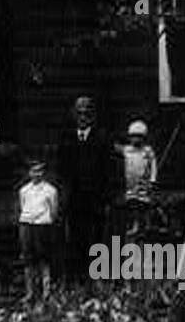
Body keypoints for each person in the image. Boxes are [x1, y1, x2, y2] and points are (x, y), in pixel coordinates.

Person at [56, 95, 116, 282]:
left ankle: (98, 277)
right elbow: (62, 169)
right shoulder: (66, 138)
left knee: (97, 236)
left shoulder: (102, 137)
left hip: (96, 198)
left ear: (92, 115)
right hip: (74, 198)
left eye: (86, 113)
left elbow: (109, 170)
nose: (83, 116)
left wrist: (106, 198)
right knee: (76, 237)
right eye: (79, 113)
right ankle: (78, 278)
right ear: (74, 115)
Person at [17, 159, 58, 302]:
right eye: (34, 171)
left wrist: (45, 221)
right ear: (29, 173)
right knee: (28, 260)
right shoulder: (24, 190)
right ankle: (30, 292)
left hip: (43, 226)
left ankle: (46, 292)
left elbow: (53, 211)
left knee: (44, 259)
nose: (37, 174)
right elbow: (23, 207)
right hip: (27, 225)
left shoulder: (50, 190)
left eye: (40, 171)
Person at [119, 119, 158, 238]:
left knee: (143, 204)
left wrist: (152, 180)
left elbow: (153, 166)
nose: (136, 139)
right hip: (129, 182)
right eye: (133, 136)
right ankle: (133, 225)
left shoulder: (148, 151)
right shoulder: (126, 150)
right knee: (131, 204)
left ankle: (144, 225)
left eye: (139, 136)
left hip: (143, 183)